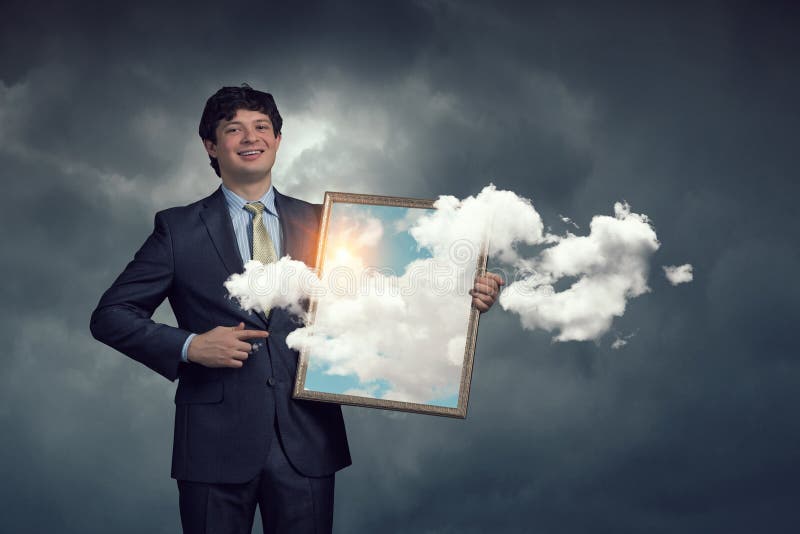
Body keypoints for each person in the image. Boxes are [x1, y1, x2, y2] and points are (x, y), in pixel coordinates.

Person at [90, 84, 503, 534]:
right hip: (214, 445)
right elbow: (111, 316)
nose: (251, 138)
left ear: (278, 140)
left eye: (262, 127)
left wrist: (464, 292)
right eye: (234, 129)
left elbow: (390, 297)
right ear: (211, 145)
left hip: (307, 441)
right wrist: (191, 346)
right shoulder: (178, 229)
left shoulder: (329, 224)